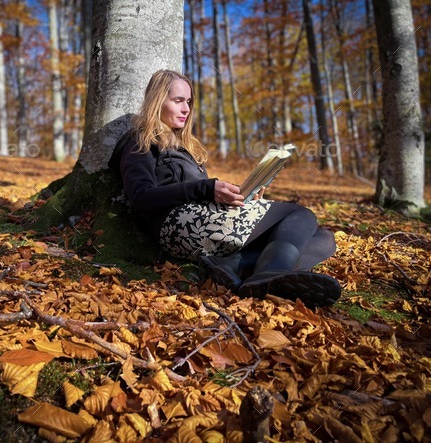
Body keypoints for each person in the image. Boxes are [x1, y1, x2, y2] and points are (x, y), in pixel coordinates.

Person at [113, 69, 341, 308]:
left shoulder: (185, 146)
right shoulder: (140, 140)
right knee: (300, 214)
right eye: (178, 100)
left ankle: (234, 266)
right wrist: (206, 188)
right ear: (157, 101)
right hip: (178, 224)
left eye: (189, 102)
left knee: (323, 239)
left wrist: (246, 193)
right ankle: (269, 274)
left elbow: (202, 191)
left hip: (205, 221)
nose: (186, 109)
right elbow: (141, 197)